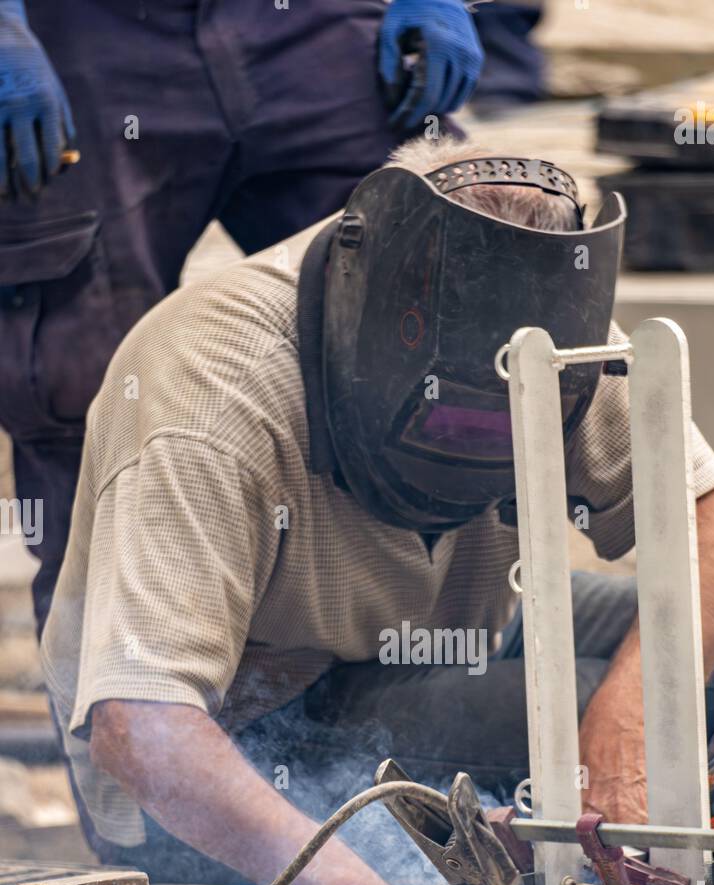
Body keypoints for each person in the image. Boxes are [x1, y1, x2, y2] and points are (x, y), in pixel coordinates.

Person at [41, 135, 714, 885]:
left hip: (472, 627)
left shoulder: (548, 313)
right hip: (253, 731)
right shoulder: (211, 393)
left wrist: (630, 727)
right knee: (567, 713)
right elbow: (138, 728)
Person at [0, 0, 483, 629]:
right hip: (77, 35)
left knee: (433, 288)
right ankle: (121, 688)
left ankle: (416, 666)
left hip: (301, 26)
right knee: (80, 367)